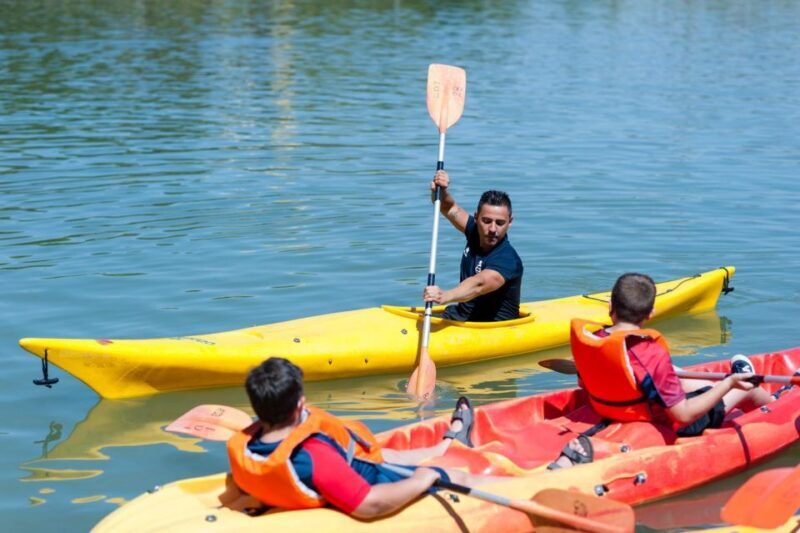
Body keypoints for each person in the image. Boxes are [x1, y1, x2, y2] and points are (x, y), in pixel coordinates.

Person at [550, 272, 776, 469]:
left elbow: (584, 383)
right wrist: (730, 384)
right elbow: (683, 415)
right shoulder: (648, 352)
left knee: (677, 373)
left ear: (610, 306)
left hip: (612, 407)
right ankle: (776, 406)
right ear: (651, 313)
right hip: (661, 421)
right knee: (747, 388)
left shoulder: (595, 339)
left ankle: (716, 386)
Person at [227, 357, 501, 519]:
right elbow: (368, 504)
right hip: (370, 482)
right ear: (299, 404)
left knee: (388, 454)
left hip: (348, 466)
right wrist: (423, 479)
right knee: (452, 475)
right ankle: (525, 483)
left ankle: (446, 444)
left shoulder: (247, 442)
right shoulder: (313, 457)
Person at [422, 170, 523, 322]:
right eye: (487, 221)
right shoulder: (474, 231)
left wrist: (445, 296)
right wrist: (441, 190)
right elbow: (447, 207)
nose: (493, 229)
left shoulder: (508, 260)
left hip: (492, 328)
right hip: (460, 316)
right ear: (476, 218)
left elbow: (478, 284)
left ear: (510, 222)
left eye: (500, 223)